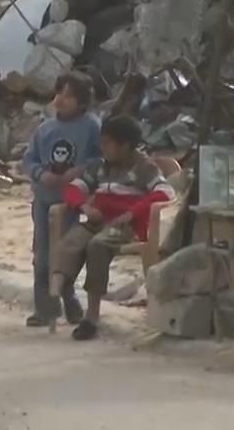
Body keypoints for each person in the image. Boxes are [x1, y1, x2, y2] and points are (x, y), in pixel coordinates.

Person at [50, 114, 175, 341]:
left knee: (97, 246)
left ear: (125, 145)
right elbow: (72, 189)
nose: (103, 147)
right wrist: (84, 208)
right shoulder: (100, 166)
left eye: (107, 143)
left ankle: (92, 316)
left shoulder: (143, 168)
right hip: (96, 220)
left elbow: (165, 192)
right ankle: (55, 290)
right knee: (72, 241)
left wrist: (132, 213)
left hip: (124, 227)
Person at [20, 72, 100, 328]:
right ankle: (45, 309)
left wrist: (78, 171)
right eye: (59, 93)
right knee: (42, 254)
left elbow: (101, 158)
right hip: (44, 199)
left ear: (82, 101)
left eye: (69, 96)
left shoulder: (91, 127)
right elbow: (28, 160)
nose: (61, 100)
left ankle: (70, 300)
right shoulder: (45, 129)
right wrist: (41, 174)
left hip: (71, 201)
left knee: (65, 253)